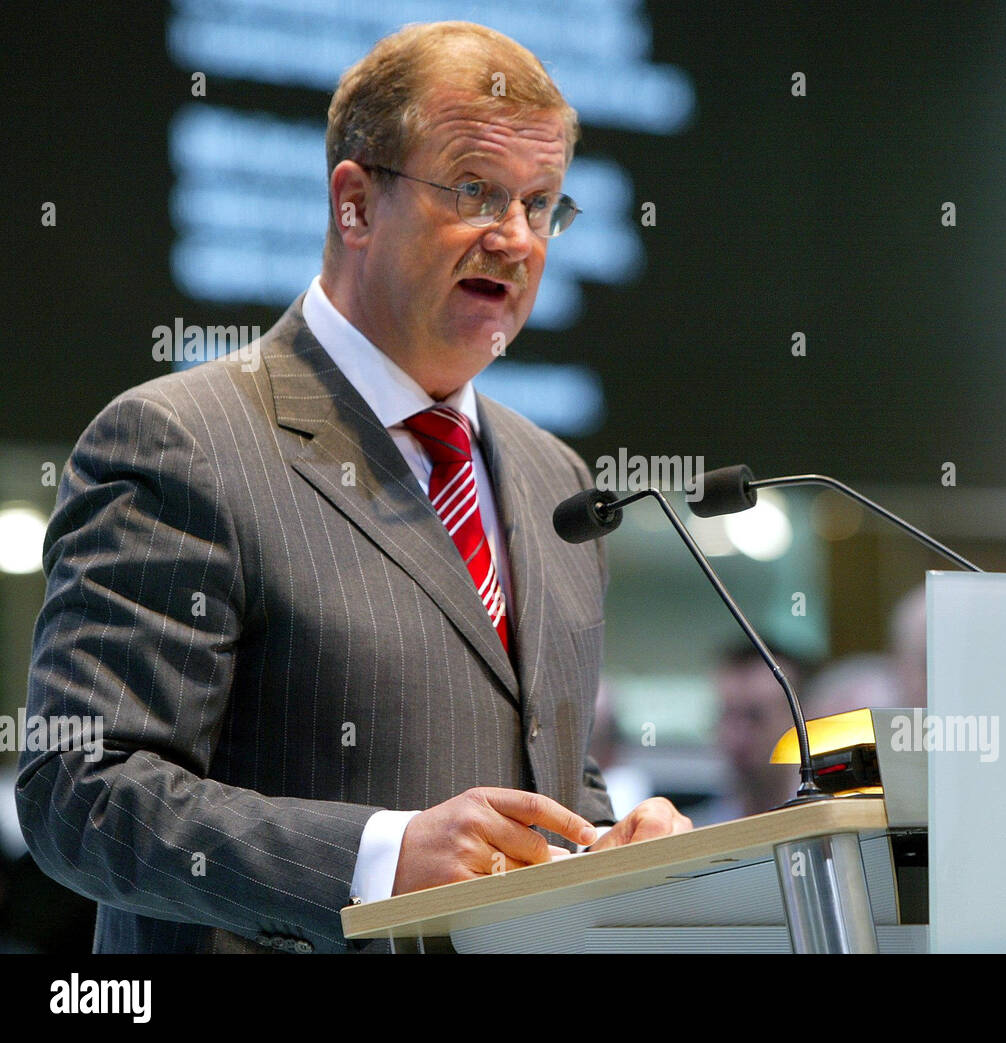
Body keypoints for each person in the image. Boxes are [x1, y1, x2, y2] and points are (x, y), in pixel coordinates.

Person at [18, 21, 689, 954]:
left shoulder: (554, 477)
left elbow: (547, 789)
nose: (516, 237)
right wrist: (378, 858)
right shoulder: (182, 441)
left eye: (543, 205)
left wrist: (608, 855)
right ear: (355, 204)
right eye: (474, 191)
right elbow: (81, 794)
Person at [691, 643, 813, 826]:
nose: (737, 735)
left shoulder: (835, 822)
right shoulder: (694, 833)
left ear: (801, 722)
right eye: (727, 715)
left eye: (754, 717)